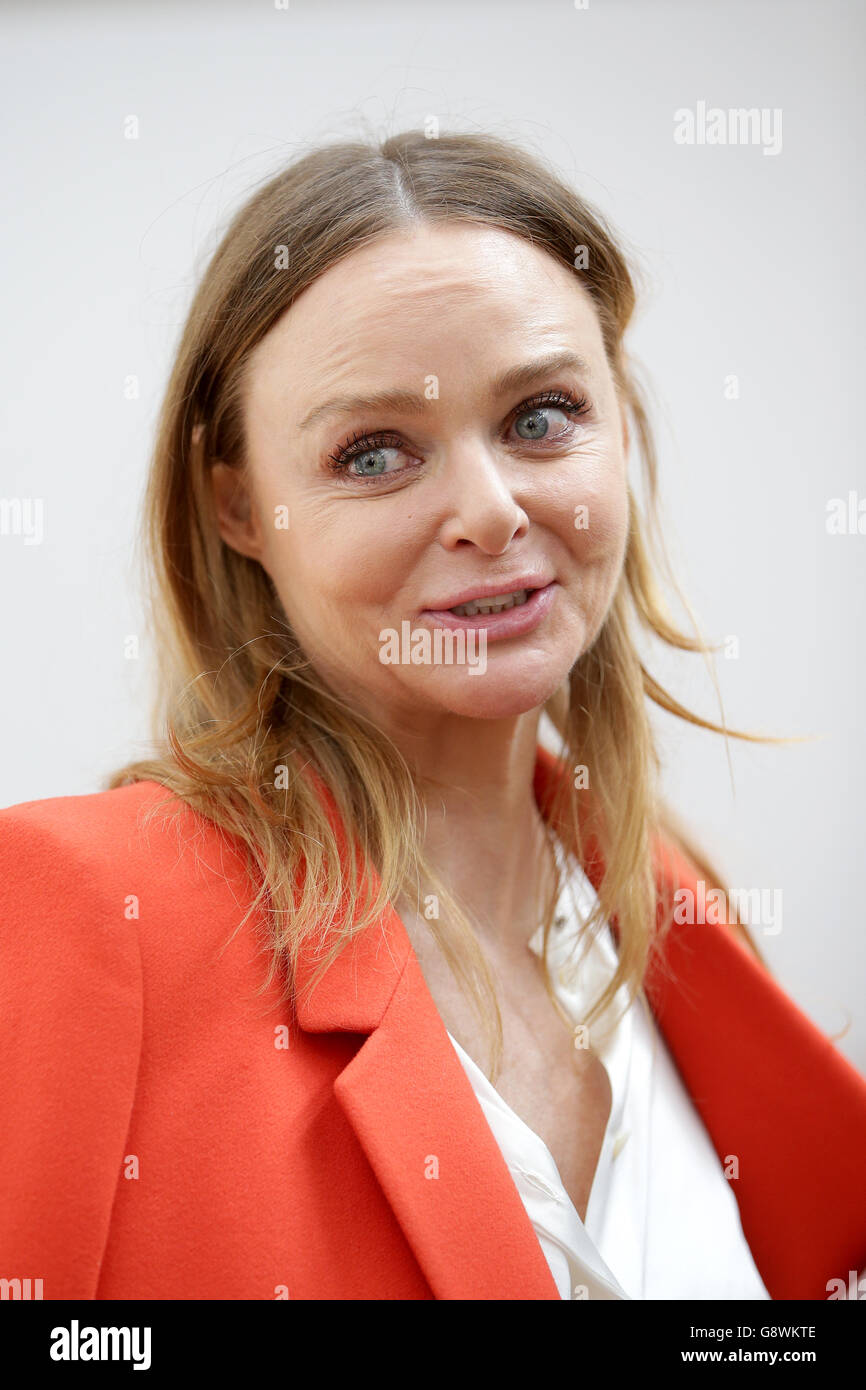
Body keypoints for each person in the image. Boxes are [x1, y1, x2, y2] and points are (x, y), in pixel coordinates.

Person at [1, 129, 864, 1302]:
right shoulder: (85, 907)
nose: (490, 510)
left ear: (622, 428)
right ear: (239, 505)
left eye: (542, 415)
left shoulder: (672, 916)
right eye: (374, 452)